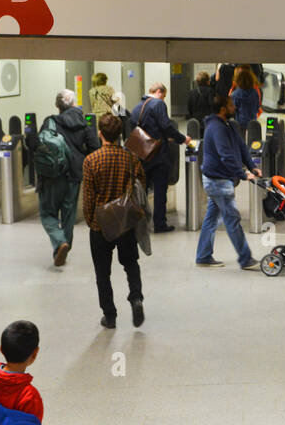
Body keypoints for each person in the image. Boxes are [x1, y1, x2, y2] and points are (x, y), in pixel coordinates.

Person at [82, 113, 147, 328]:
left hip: (101, 224)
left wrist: (91, 221)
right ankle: (136, 298)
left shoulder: (91, 160)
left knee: (103, 273)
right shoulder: (131, 158)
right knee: (131, 264)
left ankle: (109, 315)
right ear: (120, 134)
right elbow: (141, 186)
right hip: (125, 221)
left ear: (100, 133)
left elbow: (88, 197)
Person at [196, 93, 262, 270]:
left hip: (220, 179)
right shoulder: (216, 128)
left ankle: (203, 256)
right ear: (223, 109)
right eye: (231, 105)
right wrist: (242, 174)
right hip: (217, 181)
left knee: (212, 218)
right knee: (232, 218)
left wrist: (252, 166)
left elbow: (241, 148)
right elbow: (225, 155)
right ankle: (246, 259)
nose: (235, 107)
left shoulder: (229, 125)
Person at [38, 89, 99, 266]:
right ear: (74, 104)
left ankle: (59, 243)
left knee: (47, 213)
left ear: (57, 105)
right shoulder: (83, 123)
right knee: (68, 214)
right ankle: (64, 245)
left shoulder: (50, 122)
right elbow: (94, 148)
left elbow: (38, 145)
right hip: (73, 174)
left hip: (52, 175)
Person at [131, 83, 187, 233]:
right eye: (164, 96)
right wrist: (182, 139)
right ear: (159, 92)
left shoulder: (137, 107)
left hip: (142, 154)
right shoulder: (158, 104)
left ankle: (140, 223)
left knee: (142, 191)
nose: (163, 99)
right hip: (158, 155)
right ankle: (160, 224)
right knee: (160, 191)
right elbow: (166, 126)